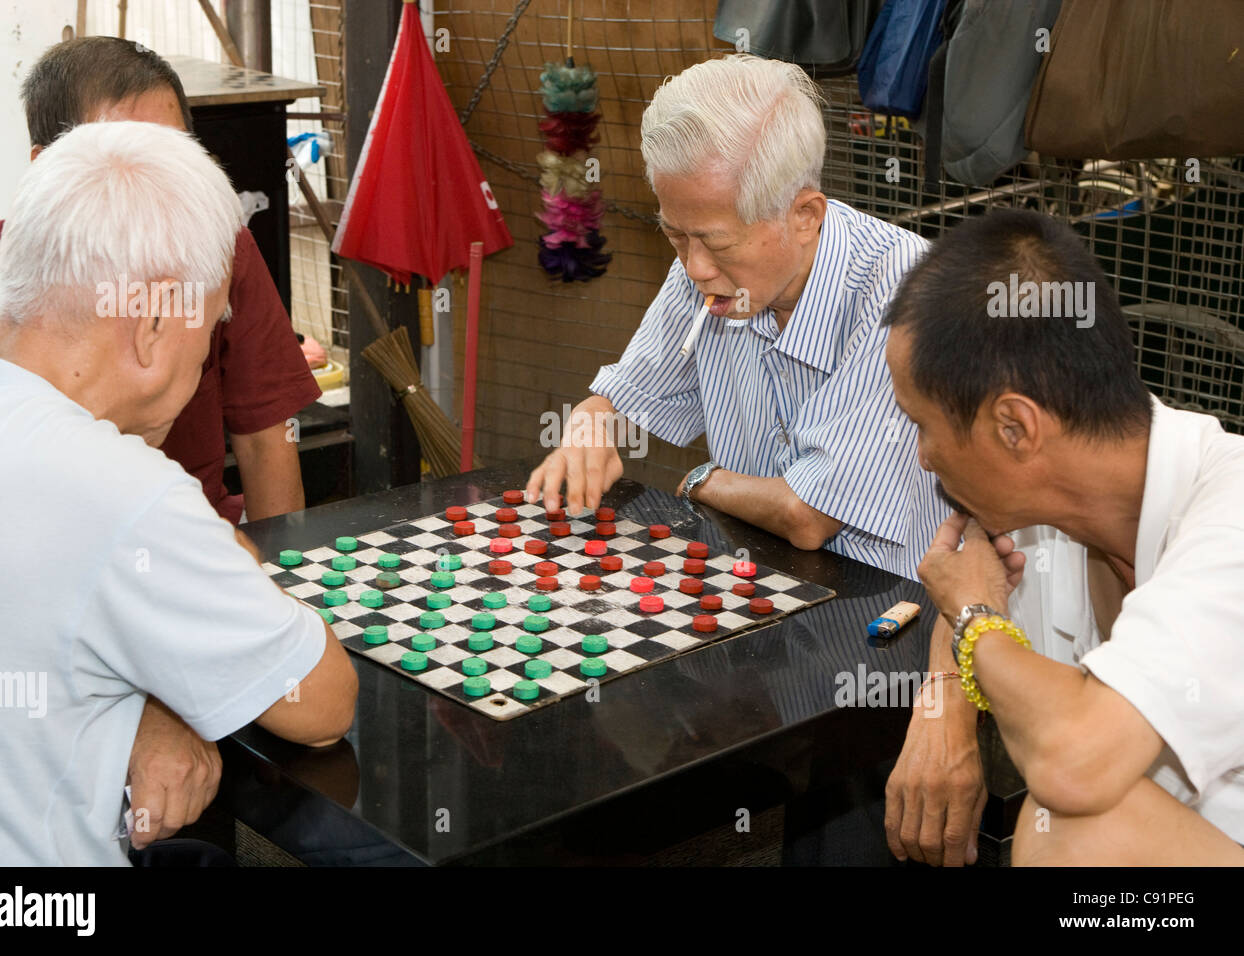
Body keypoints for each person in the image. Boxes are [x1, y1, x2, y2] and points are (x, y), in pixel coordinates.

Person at [0, 120, 358, 866]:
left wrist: (148, 709)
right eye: (214, 320)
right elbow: (324, 706)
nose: (209, 353)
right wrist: (228, 553)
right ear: (158, 318)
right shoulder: (119, 492)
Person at [882, 208, 1244, 865]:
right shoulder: (1042, 516)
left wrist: (974, 620)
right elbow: (965, 589)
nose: (923, 457)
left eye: (923, 424)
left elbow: (1075, 763)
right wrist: (946, 704)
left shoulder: (1234, 516)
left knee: (1071, 825)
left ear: (1014, 427)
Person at [526, 54, 944, 580]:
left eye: (716, 242)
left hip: (886, 610)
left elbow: (808, 514)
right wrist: (591, 419)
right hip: (754, 586)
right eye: (675, 235)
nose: (694, 267)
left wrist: (702, 479)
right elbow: (628, 394)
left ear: (804, 216)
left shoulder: (905, 292)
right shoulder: (708, 262)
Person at [0, 36, 320, 524]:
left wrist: (280, 570)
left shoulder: (221, 252)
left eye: (177, 160)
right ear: (45, 169)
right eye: (125, 163)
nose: (162, 187)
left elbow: (268, 432)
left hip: (199, 539)